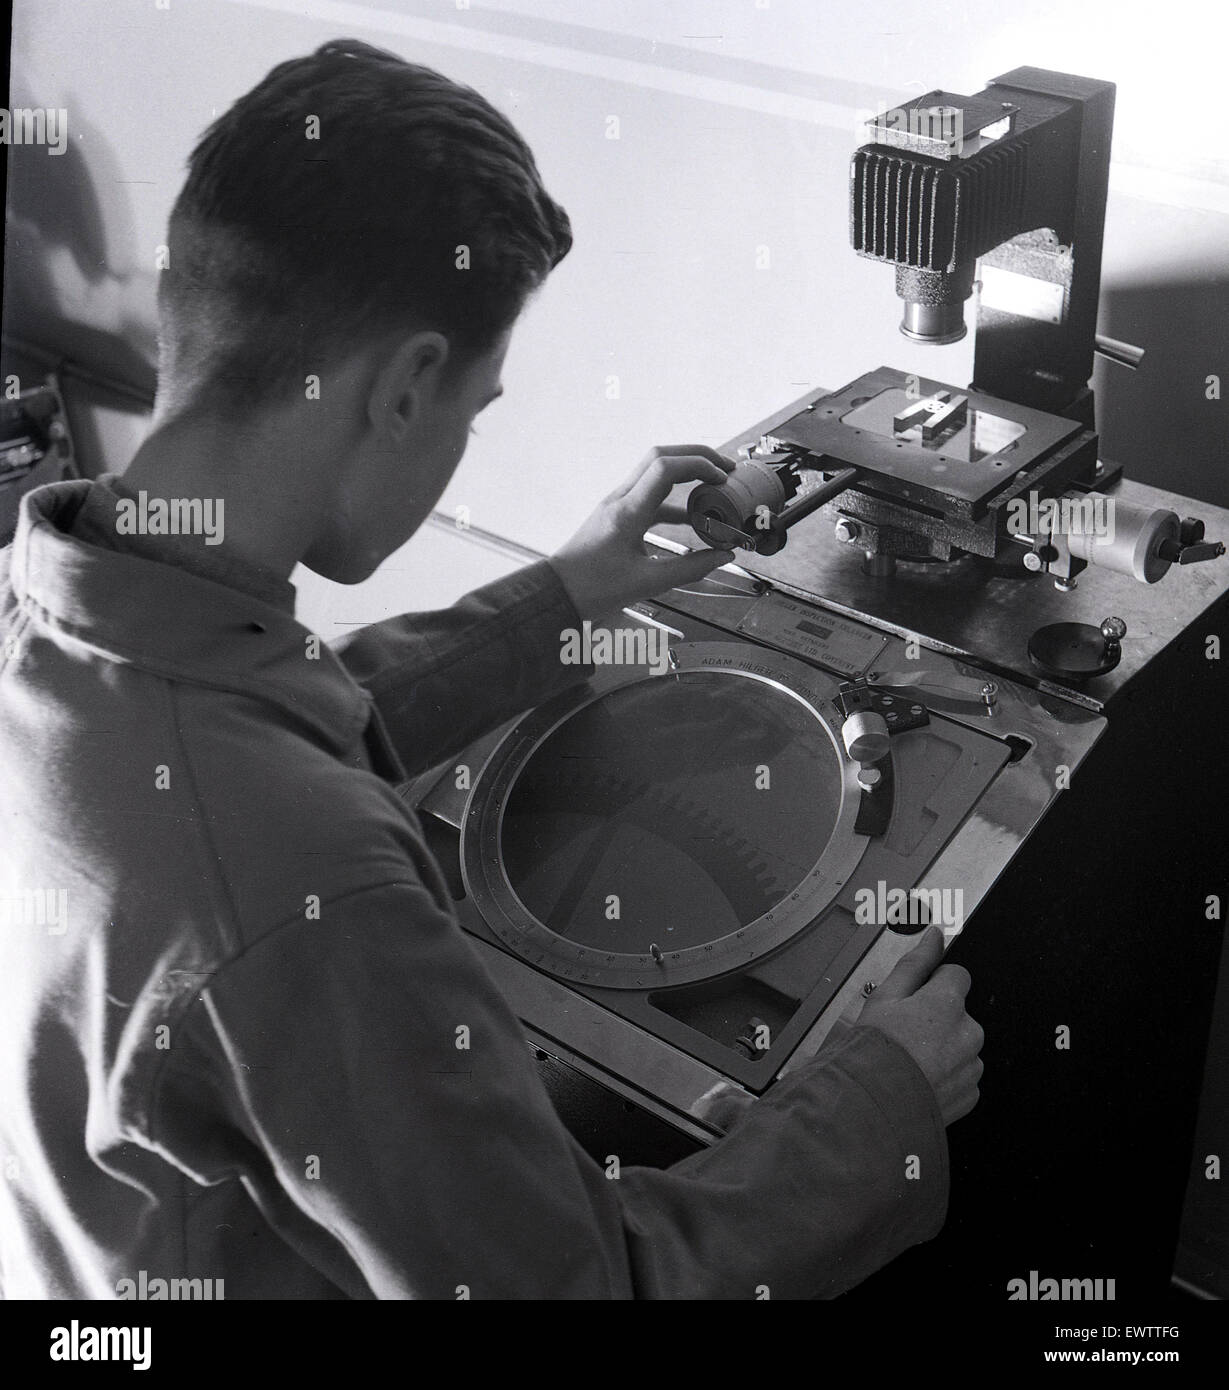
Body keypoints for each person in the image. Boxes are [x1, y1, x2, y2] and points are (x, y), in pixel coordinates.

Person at [0, 39, 982, 1300]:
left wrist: (570, 590)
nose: (464, 441)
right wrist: (880, 1104)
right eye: (476, 408)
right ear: (407, 387)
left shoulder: (66, 601)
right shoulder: (295, 882)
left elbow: (275, 721)